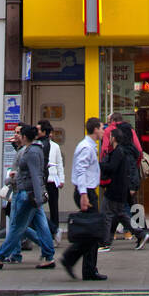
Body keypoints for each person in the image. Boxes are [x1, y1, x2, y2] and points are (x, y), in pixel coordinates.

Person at [0, 125, 54, 270]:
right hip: (31, 193)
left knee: (17, 226)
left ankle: (0, 257)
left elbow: (35, 175)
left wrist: (37, 196)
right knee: (40, 225)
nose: (18, 136)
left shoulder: (31, 152)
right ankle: (49, 254)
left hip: (28, 194)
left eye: (20, 134)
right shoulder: (33, 149)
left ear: (25, 137)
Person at [60, 117, 106, 282]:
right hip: (85, 192)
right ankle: (75, 262)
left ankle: (84, 267)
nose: (103, 131)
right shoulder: (86, 147)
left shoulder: (89, 146)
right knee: (93, 233)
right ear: (95, 129)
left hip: (86, 191)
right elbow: (80, 171)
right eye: (101, 128)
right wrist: (84, 195)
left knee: (92, 233)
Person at [100, 124, 149, 250]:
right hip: (120, 188)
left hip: (116, 188)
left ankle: (107, 242)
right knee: (118, 214)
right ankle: (139, 234)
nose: (109, 138)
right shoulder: (123, 151)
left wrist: (99, 165)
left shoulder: (119, 152)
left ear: (114, 138)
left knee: (109, 213)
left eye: (110, 136)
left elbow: (113, 168)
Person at [36, 120, 65, 242]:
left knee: (54, 206)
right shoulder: (37, 145)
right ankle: (49, 231)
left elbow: (59, 163)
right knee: (38, 208)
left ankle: (55, 230)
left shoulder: (55, 146)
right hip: (42, 180)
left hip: (52, 179)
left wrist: (61, 179)